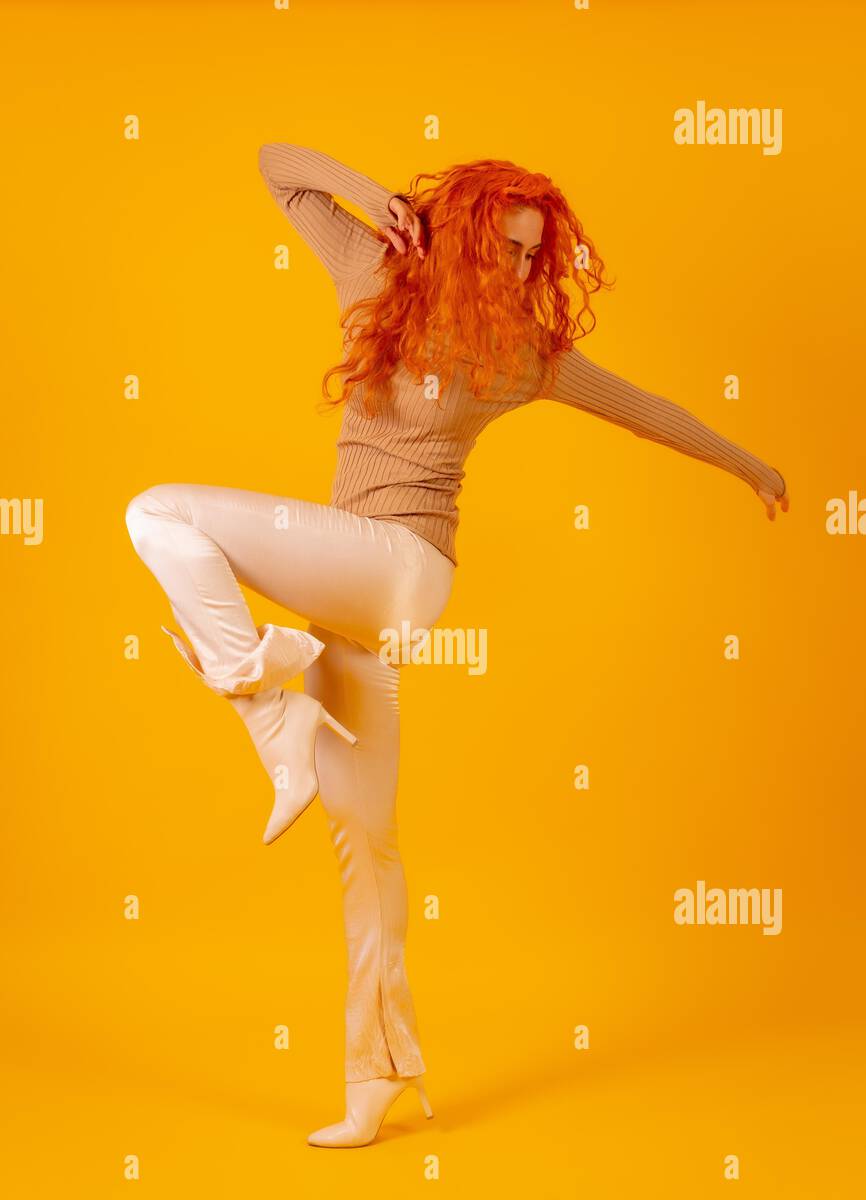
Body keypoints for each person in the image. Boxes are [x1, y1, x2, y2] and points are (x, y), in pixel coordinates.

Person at [124, 142, 789, 1149]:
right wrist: (374, 198)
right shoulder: (375, 273)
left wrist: (749, 465)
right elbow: (274, 163)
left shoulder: (525, 355)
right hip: (365, 597)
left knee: (159, 512)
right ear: (465, 236)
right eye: (508, 250)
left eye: (535, 257)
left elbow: (651, 414)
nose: (523, 273)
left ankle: (268, 709)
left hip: (398, 566)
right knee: (365, 841)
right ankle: (374, 1078)